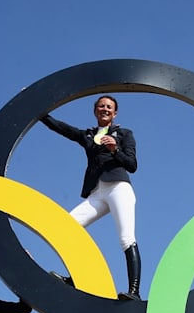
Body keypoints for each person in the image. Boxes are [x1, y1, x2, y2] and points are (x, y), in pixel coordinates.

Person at [39, 95, 142, 300]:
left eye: (109, 107)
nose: (105, 109)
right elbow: (62, 128)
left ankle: (134, 291)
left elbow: (132, 165)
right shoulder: (87, 135)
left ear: (115, 113)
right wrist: (40, 115)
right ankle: (77, 277)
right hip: (97, 191)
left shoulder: (124, 133)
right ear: (95, 111)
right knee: (67, 226)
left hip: (119, 188)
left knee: (126, 238)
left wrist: (115, 149)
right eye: (101, 106)